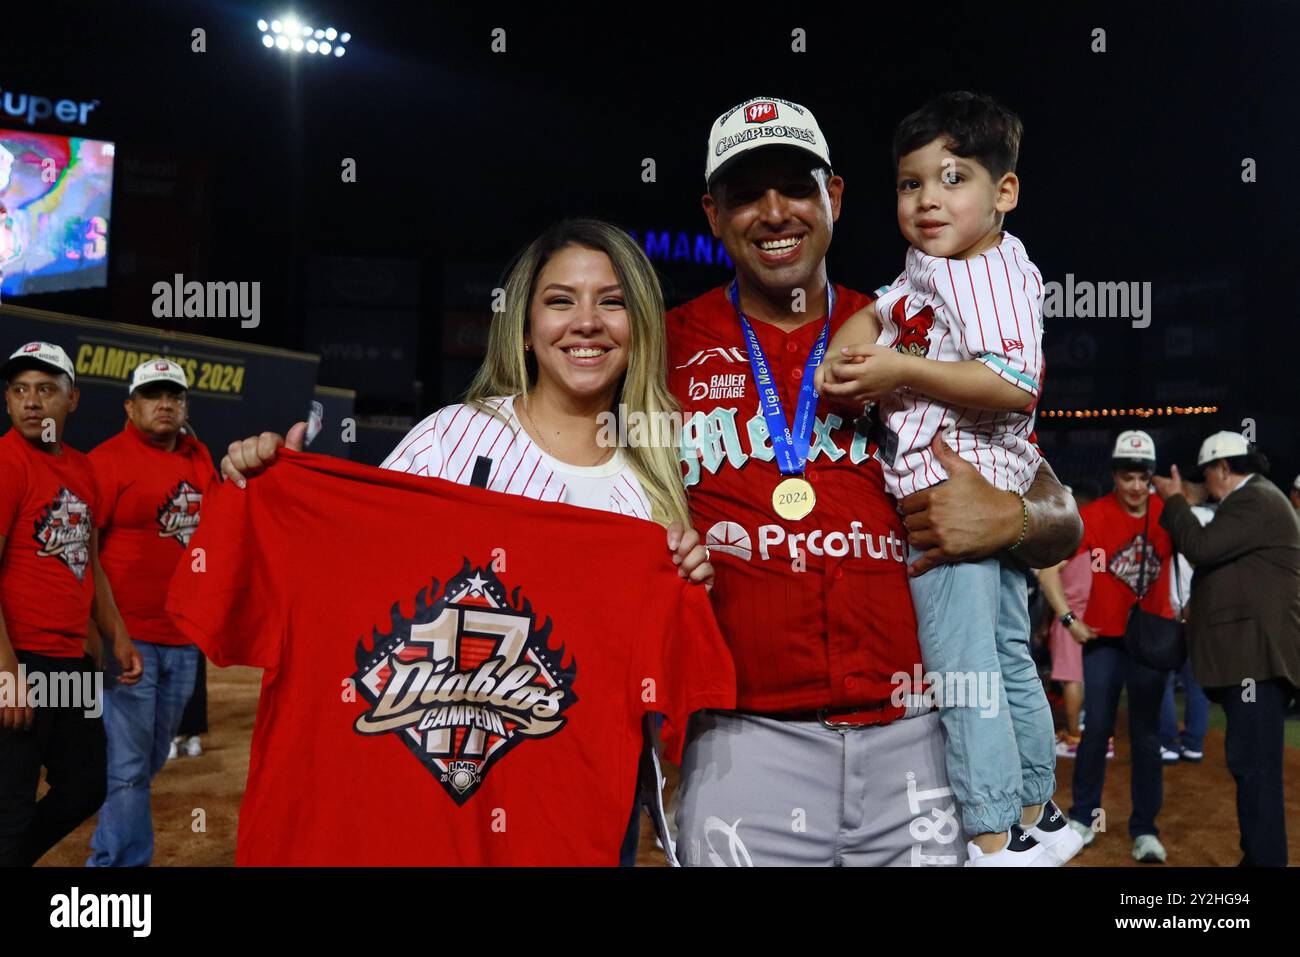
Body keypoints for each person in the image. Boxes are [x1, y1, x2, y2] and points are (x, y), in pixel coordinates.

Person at [220, 219, 716, 864]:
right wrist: (274, 493)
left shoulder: (656, 486)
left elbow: (668, 698)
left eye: (612, 301)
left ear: (641, 324)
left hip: (574, 815)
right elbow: (352, 582)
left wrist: (690, 584)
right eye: (560, 300)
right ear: (527, 326)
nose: (587, 322)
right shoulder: (455, 435)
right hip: (424, 810)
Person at [668, 96, 1082, 866]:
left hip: (917, 739)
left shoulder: (919, 323)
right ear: (712, 213)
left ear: (834, 196)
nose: (773, 211)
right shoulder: (664, 350)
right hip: (745, 742)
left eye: (795, 185)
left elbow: (1061, 513)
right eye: (744, 193)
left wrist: (1011, 523)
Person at [814, 91, 1062, 866]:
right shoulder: (936, 268)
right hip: (979, 489)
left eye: (953, 178)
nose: (927, 199)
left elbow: (1013, 384)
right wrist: (849, 352)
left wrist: (896, 369)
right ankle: (1034, 807)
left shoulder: (991, 272)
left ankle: (992, 835)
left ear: (1005, 193)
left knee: (964, 671)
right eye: (910, 182)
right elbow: (881, 312)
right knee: (1005, 655)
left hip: (954, 489)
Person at [0, 341, 143, 867]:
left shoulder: (82, 469)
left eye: (45, 390)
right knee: (9, 806)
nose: (31, 402)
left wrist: (116, 634)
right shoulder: (5, 463)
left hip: (72, 663)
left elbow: (91, 559)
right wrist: (6, 672)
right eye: (19, 391)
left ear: (72, 399)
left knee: (85, 786)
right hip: (20, 658)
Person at [85, 358, 219, 866]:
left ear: (184, 406)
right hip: (129, 639)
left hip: (183, 640)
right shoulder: (105, 462)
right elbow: (85, 552)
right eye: (152, 395)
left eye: (174, 396)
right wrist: (103, 634)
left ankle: (110, 850)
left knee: (148, 758)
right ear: (130, 405)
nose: (164, 404)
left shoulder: (198, 459)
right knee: (128, 766)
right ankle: (116, 867)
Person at [1153, 430, 1300, 867]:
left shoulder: (1253, 499)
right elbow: (1234, 571)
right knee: (1250, 767)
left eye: (1209, 474)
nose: (1208, 483)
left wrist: (1175, 500)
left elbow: (1200, 547)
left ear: (1223, 468)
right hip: (1251, 660)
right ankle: (1257, 857)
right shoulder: (1256, 500)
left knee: (1255, 770)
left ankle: (1265, 862)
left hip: (1257, 662)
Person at [1052, 430, 1174, 863]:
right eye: (1127, 477)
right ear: (1115, 476)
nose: (1136, 486)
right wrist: (1068, 619)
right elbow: (1049, 567)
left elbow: (1202, 553)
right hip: (1104, 641)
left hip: (1151, 640)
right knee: (1095, 731)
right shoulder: (1095, 516)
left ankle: (1145, 830)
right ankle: (1083, 819)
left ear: (1153, 477)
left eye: (1143, 477)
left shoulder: (1168, 513)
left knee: (1145, 737)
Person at [1038, 480, 1099, 758]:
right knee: (1087, 678)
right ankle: (1090, 730)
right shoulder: (1096, 543)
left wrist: (1066, 619)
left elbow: (1047, 574)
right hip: (1092, 617)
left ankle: (1074, 736)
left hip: (1071, 618)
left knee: (1071, 678)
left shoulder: (1072, 540)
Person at [1159, 502, 1214, 764]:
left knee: (1165, 681)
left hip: (1168, 615)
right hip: (1200, 617)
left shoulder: (1166, 528)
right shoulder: (1208, 523)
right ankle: (1193, 744)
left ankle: (1169, 744)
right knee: (1196, 683)